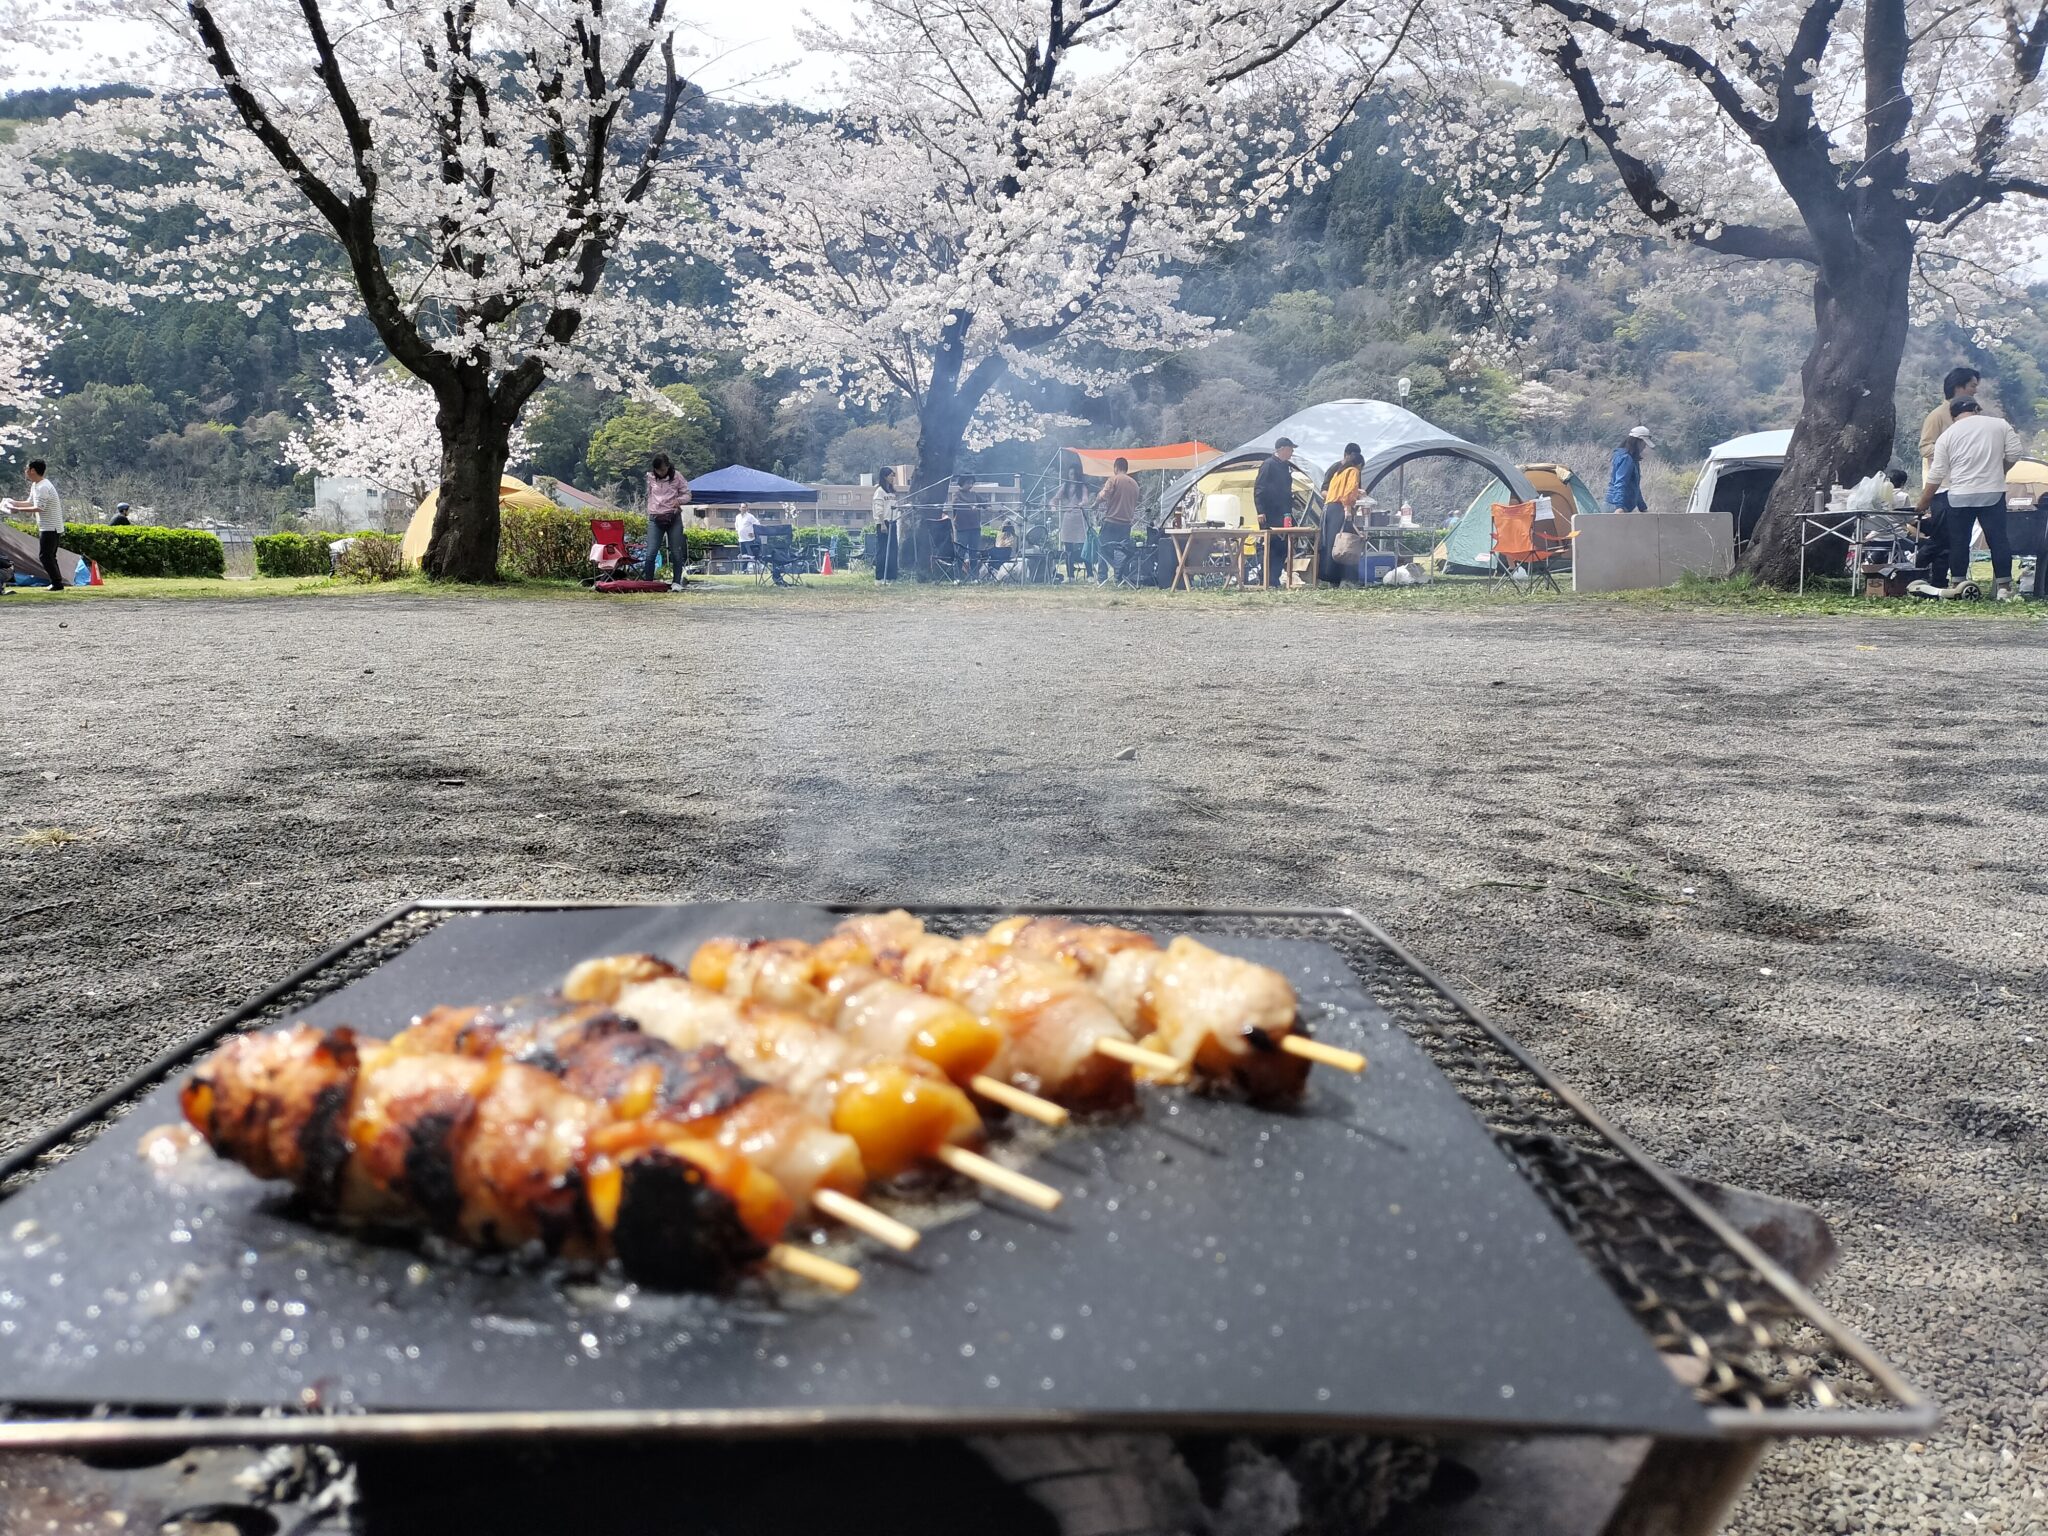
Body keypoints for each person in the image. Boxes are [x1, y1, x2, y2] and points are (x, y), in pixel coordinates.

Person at [1917, 396, 2025, 600]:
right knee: (1998, 540)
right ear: (1976, 408)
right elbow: (2014, 453)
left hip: (1959, 495)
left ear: (1953, 415)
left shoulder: (1947, 435)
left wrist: (1923, 501)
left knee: (1959, 542)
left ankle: (1958, 585)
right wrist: (2000, 470)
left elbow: (1937, 473)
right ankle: (2004, 588)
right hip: (1992, 493)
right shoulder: (1999, 425)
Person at [3, 461, 66, 592]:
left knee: (45, 556)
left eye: (27, 469)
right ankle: (57, 582)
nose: (25, 471)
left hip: (51, 526)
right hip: (46, 526)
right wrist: (13, 503)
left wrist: (17, 509)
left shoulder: (44, 487)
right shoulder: (35, 485)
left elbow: (39, 508)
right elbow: (30, 502)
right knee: (49, 556)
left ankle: (57, 583)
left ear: (32, 470)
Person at [1920, 367, 1980, 482]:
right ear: (1958, 387)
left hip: (1973, 483)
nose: (1975, 391)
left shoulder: (1976, 414)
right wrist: (1954, 450)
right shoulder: (1937, 415)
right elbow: (1925, 448)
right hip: (1946, 486)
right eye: (1973, 386)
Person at [1251, 437, 1296, 586]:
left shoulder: (1286, 466)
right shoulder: (1268, 465)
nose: (1292, 453)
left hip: (1283, 513)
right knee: (1269, 547)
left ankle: (1274, 578)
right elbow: (1259, 488)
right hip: (1269, 513)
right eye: (1290, 449)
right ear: (1282, 449)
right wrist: (1260, 510)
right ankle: (1265, 578)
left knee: (1282, 547)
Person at [642, 453, 690, 588]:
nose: (660, 473)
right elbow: (650, 495)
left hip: (673, 517)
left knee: (676, 551)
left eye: (663, 470)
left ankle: (676, 582)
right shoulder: (650, 477)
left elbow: (687, 494)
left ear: (668, 466)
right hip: (655, 518)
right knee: (651, 552)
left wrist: (679, 501)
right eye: (657, 470)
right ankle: (648, 583)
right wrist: (652, 509)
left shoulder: (677, 476)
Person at [1094, 455, 1140, 580]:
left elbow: (1104, 495)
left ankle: (1102, 577)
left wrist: (1095, 504)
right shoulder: (1135, 485)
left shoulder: (1113, 480)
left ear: (1116, 467)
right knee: (1123, 552)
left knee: (1102, 548)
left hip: (1111, 522)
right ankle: (1121, 577)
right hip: (1126, 524)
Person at [1605, 427, 1652, 512]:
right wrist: (1619, 506)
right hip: (1616, 505)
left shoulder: (1633, 459)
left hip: (1624, 506)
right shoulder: (1626, 458)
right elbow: (1620, 482)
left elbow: (1634, 487)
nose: (1645, 447)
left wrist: (1642, 507)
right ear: (1637, 442)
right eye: (1644, 443)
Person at [946, 473, 983, 578]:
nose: (970, 485)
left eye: (972, 483)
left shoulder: (974, 494)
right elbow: (956, 503)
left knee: (974, 554)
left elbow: (984, 502)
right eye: (968, 483)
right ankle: (958, 577)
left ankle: (974, 577)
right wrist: (970, 506)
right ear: (962, 483)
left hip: (975, 527)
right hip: (962, 528)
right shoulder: (956, 494)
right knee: (960, 553)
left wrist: (986, 505)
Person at [1058, 465, 1089, 579]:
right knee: (1068, 549)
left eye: (1075, 474)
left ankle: (1090, 574)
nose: (1073, 477)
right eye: (1071, 474)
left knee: (1084, 547)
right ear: (1068, 475)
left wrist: (1081, 504)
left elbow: (1085, 499)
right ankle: (1070, 575)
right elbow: (1055, 499)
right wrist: (1052, 506)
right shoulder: (1064, 486)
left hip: (1079, 518)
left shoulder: (1082, 487)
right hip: (1068, 520)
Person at [871, 467, 901, 582]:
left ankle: (891, 576)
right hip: (884, 523)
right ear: (884, 477)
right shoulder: (880, 491)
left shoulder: (892, 492)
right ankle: (880, 577)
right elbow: (879, 509)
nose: (892, 478)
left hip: (893, 521)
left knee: (893, 550)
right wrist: (882, 524)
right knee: (883, 550)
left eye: (893, 476)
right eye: (890, 476)